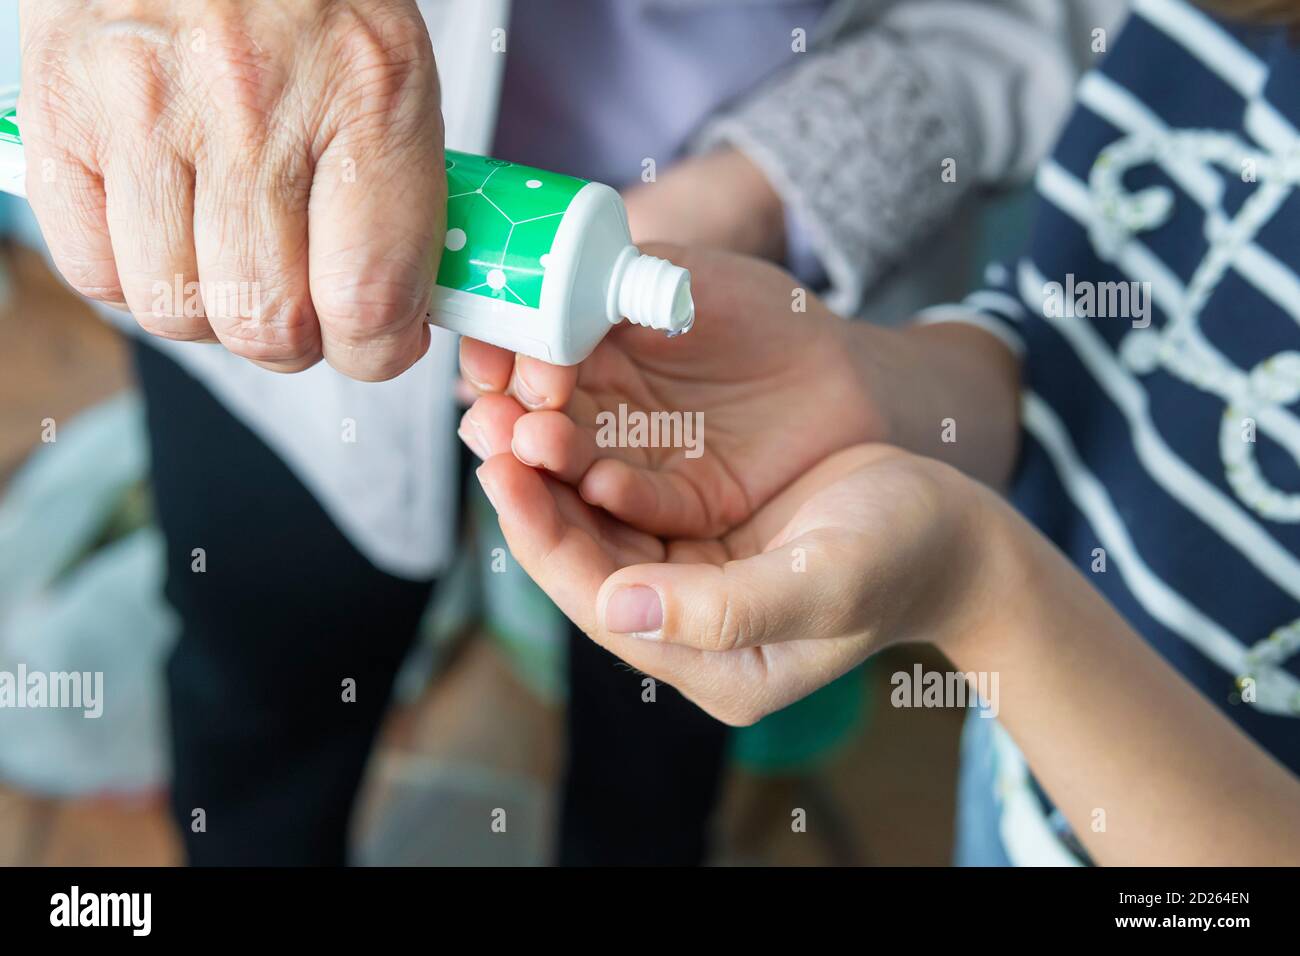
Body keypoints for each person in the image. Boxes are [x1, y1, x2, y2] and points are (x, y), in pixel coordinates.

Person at [13, 0, 1107, 863]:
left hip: (726, 333)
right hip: (268, 271)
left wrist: (771, 184)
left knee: (664, 702)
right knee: (264, 684)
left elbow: (1036, 19)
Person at [459, 0, 1300, 865]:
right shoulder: (1199, 22)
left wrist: (986, 590)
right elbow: (1083, 349)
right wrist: (865, 381)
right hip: (1013, 798)